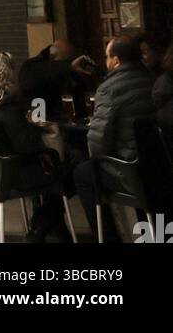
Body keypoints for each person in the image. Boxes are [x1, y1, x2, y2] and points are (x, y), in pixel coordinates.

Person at [0, 48, 71, 242]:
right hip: (15, 174)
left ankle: (47, 227)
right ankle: (41, 226)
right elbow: (26, 146)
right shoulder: (7, 106)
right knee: (67, 172)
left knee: (56, 171)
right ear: (7, 74)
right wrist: (37, 130)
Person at [73, 33, 157, 240]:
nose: (106, 61)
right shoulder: (154, 80)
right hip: (160, 166)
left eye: (107, 57)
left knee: (83, 173)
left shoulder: (108, 90)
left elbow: (97, 144)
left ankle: (108, 237)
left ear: (116, 60)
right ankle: (152, 233)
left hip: (130, 171)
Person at [19, 39, 96, 122]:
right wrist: (68, 67)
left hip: (64, 123)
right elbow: (41, 76)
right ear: (52, 57)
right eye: (65, 61)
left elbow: (79, 93)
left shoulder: (64, 70)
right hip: (40, 124)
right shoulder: (31, 67)